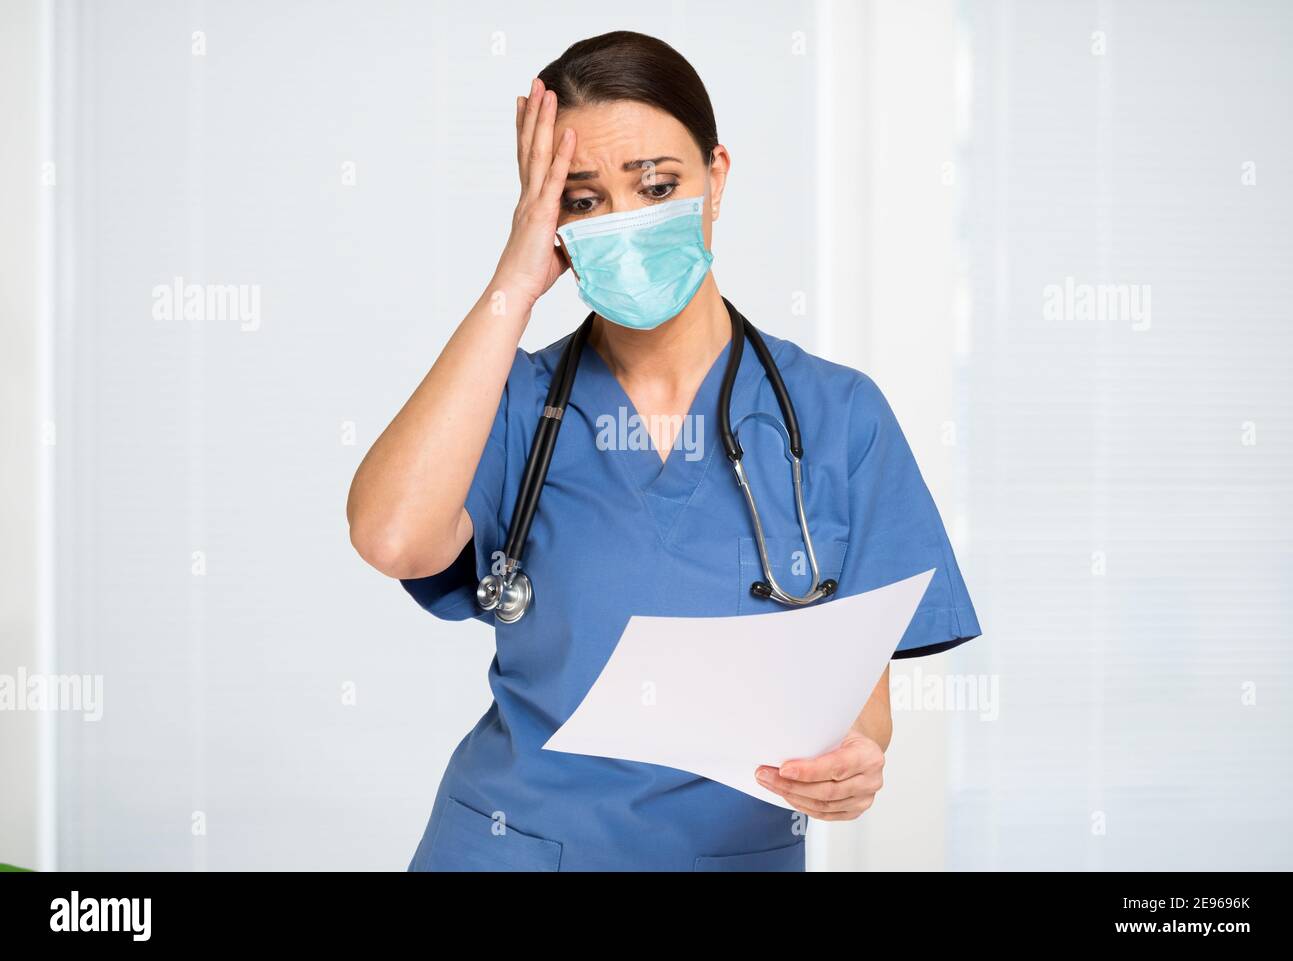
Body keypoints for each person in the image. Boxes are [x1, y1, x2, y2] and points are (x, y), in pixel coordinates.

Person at [346, 30, 981, 872]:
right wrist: (514, 280)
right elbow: (390, 536)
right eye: (581, 200)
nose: (626, 223)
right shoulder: (512, 405)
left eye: (657, 185)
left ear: (717, 178)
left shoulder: (838, 417)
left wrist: (851, 768)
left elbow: (861, 713)